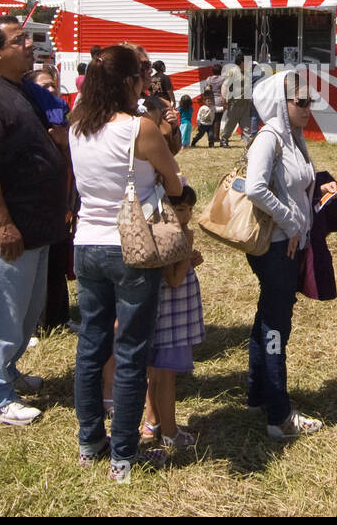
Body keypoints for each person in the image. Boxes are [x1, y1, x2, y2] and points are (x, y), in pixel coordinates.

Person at [69, 45, 183, 480]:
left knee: (91, 345)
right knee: (133, 351)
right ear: (129, 84)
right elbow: (173, 181)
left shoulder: (77, 125)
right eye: (140, 77)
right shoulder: (139, 129)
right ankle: (123, 453)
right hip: (132, 245)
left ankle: (89, 441)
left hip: (87, 244)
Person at [0, 18, 67, 427]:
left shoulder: (24, 91)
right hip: (5, 231)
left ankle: (6, 371)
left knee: (23, 313)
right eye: (17, 40)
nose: (28, 44)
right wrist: (3, 224)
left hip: (36, 225)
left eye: (27, 38)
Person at [244, 70, 321, 439]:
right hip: (275, 246)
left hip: (288, 244)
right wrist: (291, 222)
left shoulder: (295, 139)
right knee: (277, 327)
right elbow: (255, 187)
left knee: (267, 319)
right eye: (301, 101)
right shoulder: (269, 138)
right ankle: (279, 416)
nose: (309, 108)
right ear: (281, 102)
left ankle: (259, 394)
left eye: (311, 101)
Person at [142, 186, 205, 450]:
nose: (186, 215)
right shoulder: (178, 235)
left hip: (158, 309)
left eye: (189, 209)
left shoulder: (155, 231)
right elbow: (175, 279)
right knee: (166, 374)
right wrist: (188, 259)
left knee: (154, 372)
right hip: (173, 312)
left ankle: (150, 423)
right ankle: (170, 431)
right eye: (180, 209)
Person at [22, 60, 75, 333]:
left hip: (61, 200)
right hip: (35, 202)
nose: (52, 92)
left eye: (54, 87)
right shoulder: (27, 122)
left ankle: (58, 318)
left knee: (57, 260)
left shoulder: (63, 122)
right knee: (35, 266)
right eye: (44, 87)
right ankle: (31, 324)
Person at [219, 62, 250, 148]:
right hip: (235, 101)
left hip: (246, 101)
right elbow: (225, 85)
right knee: (231, 122)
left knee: (246, 123)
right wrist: (224, 98)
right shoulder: (233, 72)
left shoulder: (247, 72)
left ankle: (248, 143)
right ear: (241, 63)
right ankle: (224, 139)